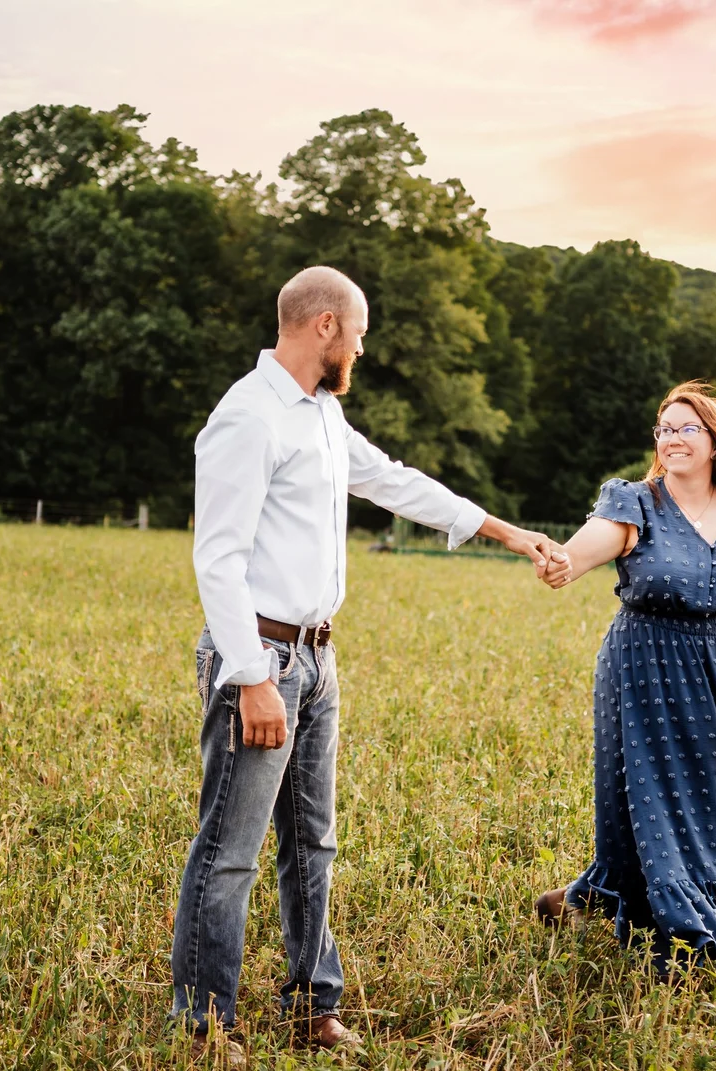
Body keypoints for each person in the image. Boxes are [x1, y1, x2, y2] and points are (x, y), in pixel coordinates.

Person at [172, 265, 563, 1056]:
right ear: (324, 327)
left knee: (312, 840)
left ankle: (311, 1004)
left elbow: (391, 480)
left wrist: (504, 531)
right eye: (359, 331)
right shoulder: (248, 417)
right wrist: (251, 678)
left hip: (319, 659)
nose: (362, 346)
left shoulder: (318, 414)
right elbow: (217, 559)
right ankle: (204, 1023)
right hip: (265, 657)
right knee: (229, 850)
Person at [533, 381, 716, 976]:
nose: (673, 439)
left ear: (714, 440)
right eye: (664, 429)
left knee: (709, 800)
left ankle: (593, 900)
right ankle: (676, 932)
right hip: (641, 666)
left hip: (712, 671)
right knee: (644, 799)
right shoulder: (636, 503)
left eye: (686, 428)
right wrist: (562, 561)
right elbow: (587, 549)